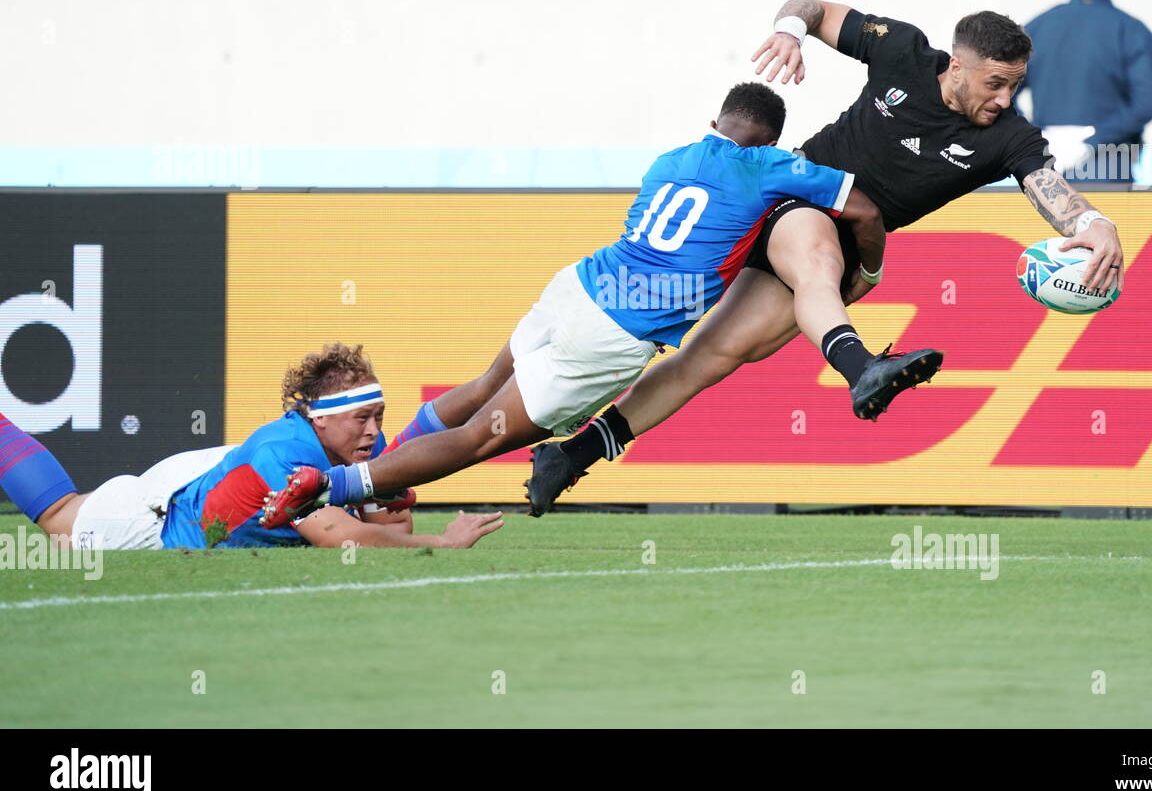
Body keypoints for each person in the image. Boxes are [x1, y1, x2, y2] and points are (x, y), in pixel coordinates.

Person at [523, 0, 1127, 514]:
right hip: (790, 200)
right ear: (955, 65)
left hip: (838, 245)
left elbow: (1051, 189)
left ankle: (573, 452)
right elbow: (809, 9)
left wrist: (1095, 224)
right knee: (818, 259)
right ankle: (862, 368)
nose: (1005, 97)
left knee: (715, 356)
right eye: (995, 83)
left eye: (1015, 83)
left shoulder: (1008, 137)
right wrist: (789, 31)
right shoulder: (904, 52)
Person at [259, 82, 934, 528]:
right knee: (475, 442)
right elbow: (865, 207)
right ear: (770, 141)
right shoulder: (769, 166)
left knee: (485, 385)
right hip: (613, 334)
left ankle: (388, 469)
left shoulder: (670, 159)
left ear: (713, 124)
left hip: (577, 287)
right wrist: (867, 266)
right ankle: (332, 488)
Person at [1, 343, 503, 550]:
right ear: (321, 419)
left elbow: (391, 517)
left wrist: (494, 379)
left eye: (378, 417)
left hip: (209, 475)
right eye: (362, 418)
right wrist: (441, 543)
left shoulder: (350, 444)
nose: (374, 430)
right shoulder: (288, 454)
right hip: (152, 522)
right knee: (60, 520)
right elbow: (336, 533)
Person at [1020, 0, 1152, 183]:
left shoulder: (1037, 27)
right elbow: (1144, 107)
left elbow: (1001, 91)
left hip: (1046, 161)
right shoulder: (1132, 31)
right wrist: (1092, 138)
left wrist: (1039, 137)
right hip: (1109, 160)